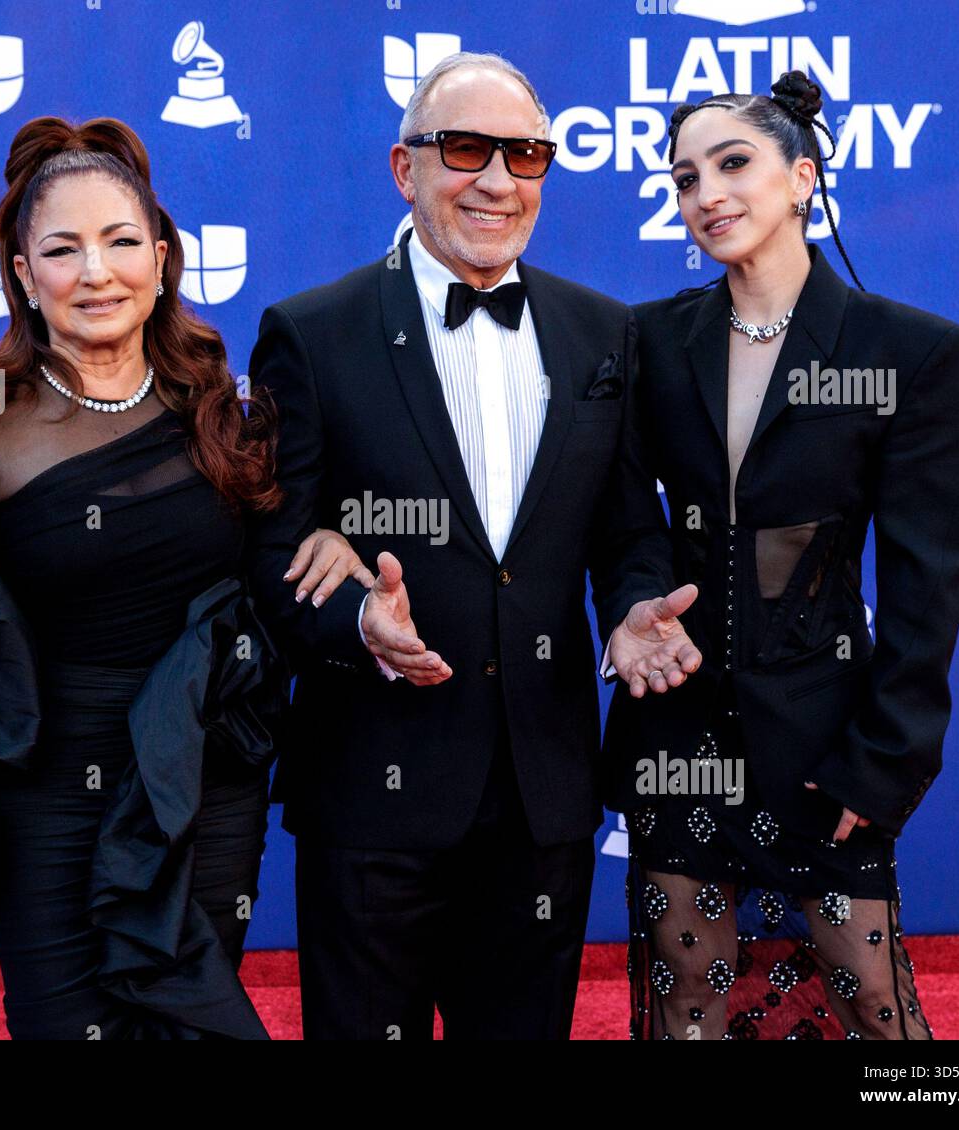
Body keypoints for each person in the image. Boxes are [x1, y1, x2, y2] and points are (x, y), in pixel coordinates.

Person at [0, 116, 369, 1040]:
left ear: (164, 255)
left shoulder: (224, 407)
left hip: (201, 786)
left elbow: (282, 558)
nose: (97, 272)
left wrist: (334, 541)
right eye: (63, 249)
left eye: (121, 241)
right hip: (43, 795)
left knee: (193, 1020)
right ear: (23, 273)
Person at [247, 52, 699, 1040]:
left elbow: (627, 530)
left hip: (542, 799)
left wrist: (632, 608)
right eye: (466, 149)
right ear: (402, 167)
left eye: (527, 155)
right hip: (373, 792)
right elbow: (274, 554)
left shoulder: (601, 333)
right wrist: (360, 617)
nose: (499, 181)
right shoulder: (311, 334)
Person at [605, 71, 959, 1039]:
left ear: (803, 177)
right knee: (685, 1004)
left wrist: (885, 759)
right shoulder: (648, 340)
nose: (706, 195)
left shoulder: (908, 351)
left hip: (825, 737)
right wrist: (638, 607)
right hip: (677, 731)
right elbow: (624, 519)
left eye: (733, 164)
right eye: (684, 178)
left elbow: (925, 579)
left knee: (870, 1003)